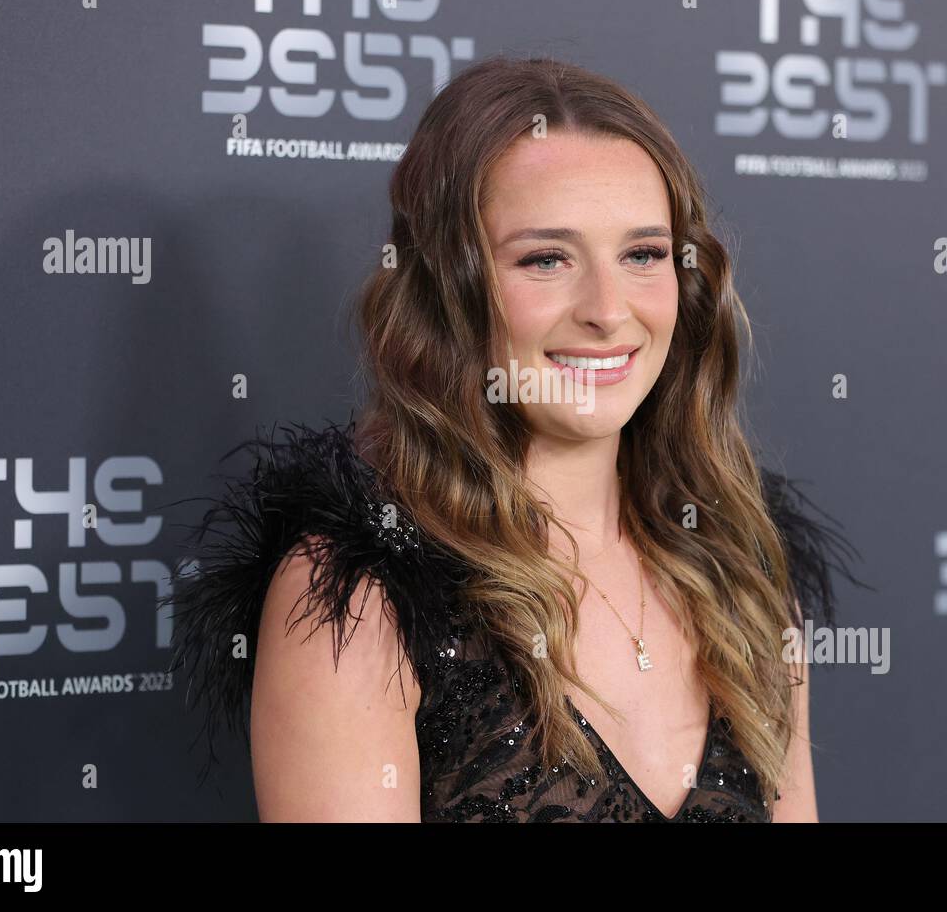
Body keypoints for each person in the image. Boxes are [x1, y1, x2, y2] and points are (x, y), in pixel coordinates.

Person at [165, 54, 857, 822]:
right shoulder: (364, 597)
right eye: (546, 259)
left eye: (642, 254)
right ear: (447, 291)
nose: (607, 309)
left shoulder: (742, 571)